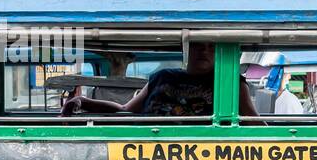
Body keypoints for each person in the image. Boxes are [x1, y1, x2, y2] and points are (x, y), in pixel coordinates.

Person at [61, 42, 258, 117]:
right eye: (199, 45)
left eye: (212, 47)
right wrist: (83, 102)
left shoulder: (230, 83)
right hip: (145, 149)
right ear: (188, 48)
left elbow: (252, 121)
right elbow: (125, 111)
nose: (204, 51)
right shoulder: (163, 77)